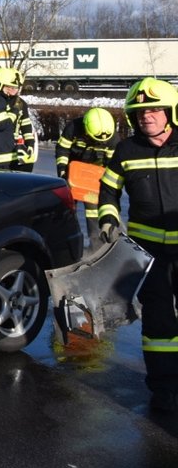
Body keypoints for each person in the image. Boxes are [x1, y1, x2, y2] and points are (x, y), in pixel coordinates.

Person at [97, 77, 178, 413]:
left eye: (154, 109)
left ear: (171, 111)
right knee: (158, 324)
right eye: (140, 111)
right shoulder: (126, 151)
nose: (147, 116)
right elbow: (108, 190)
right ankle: (164, 389)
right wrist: (108, 217)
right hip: (149, 256)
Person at [57, 106, 118, 244]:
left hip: (94, 177)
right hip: (72, 173)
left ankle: (96, 244)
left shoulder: (112, 138)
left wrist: (106, 186)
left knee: (93, 210)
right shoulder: (73, 128)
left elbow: (111, 165)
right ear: (86, 130)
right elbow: (62, 150)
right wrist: (62, 172)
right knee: (68, 207)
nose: (100, 143)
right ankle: (67, 241)